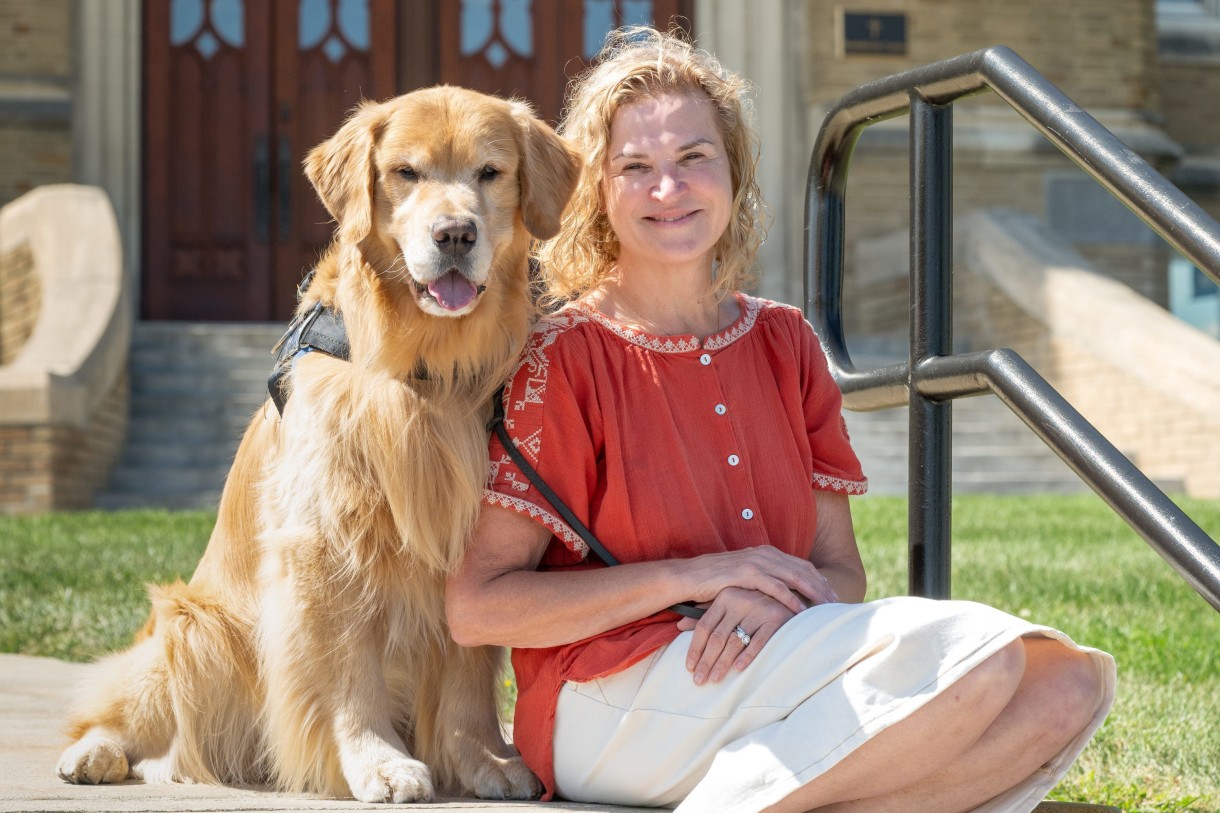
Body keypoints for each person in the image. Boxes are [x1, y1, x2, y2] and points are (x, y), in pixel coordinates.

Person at [446, 26, 1115, 813]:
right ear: (598, 189)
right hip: (612, 696)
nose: (671, 188)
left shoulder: (786, 340)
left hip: (780, 657)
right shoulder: (564, 356)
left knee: (1066, 682)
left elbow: (838, 569)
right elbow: (477, 606)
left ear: (733, 170)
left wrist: (774, 598)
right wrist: (694, 576)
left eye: (695, 157)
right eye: (637, 167)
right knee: (984, 665)